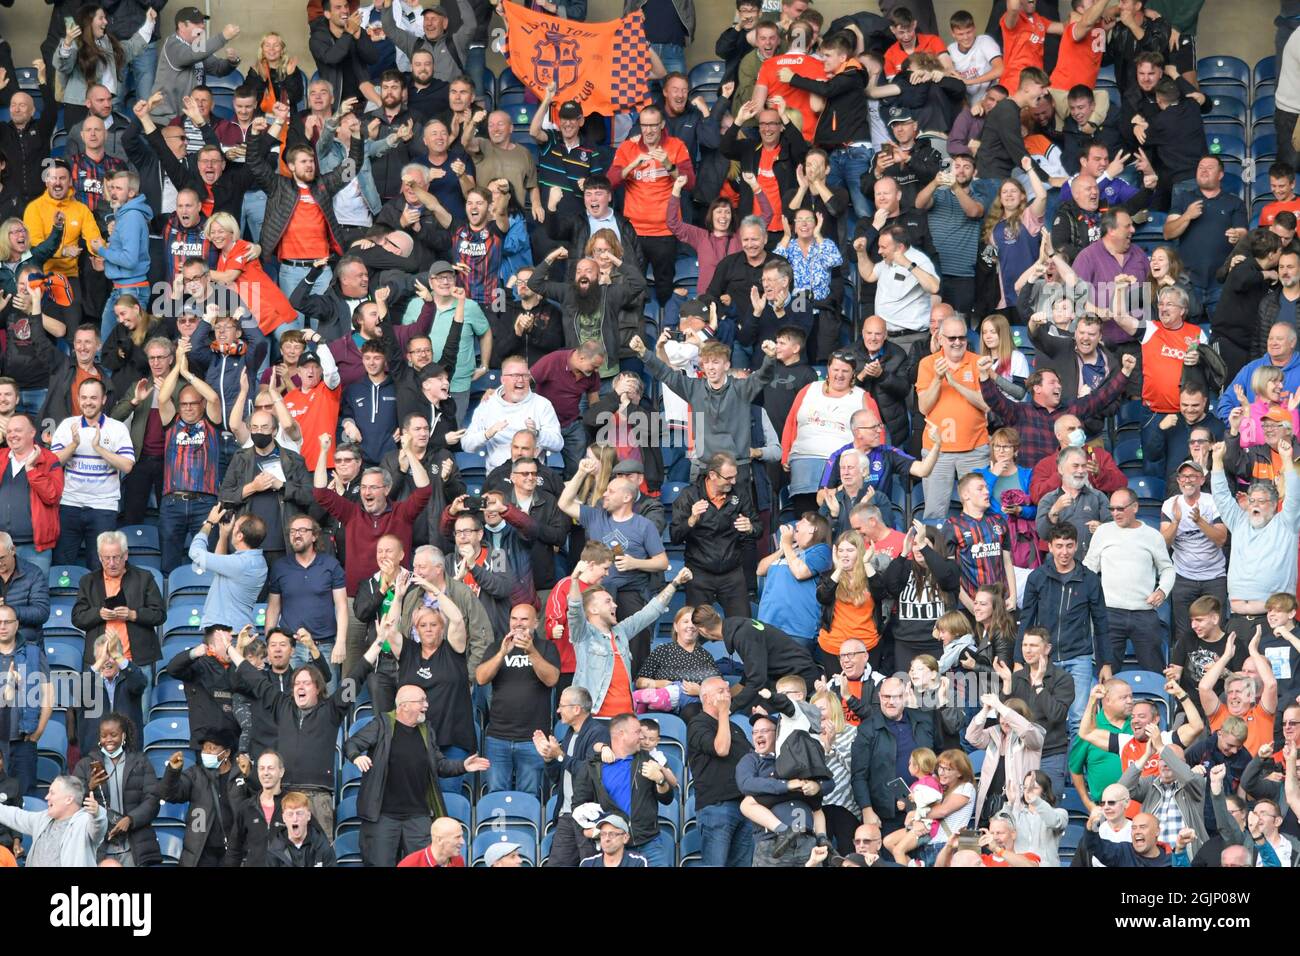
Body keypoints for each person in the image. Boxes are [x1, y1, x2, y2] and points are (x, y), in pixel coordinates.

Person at [344, 681, 486, 867]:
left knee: (426, 864)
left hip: (418, 815)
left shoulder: (427, 731)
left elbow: (440, 765)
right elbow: (352, 744)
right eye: (421, 701)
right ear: (404, 706)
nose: (426, 705)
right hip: (383, 816)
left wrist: (463, 766)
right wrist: (356, 757)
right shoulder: (382, 724)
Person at [1018, 521, 1110, 735]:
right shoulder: (1037, 577)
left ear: (1076, 546)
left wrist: (1105, 662)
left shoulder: (1090, 580)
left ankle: (1076, 769)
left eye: (1069, 545)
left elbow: (1101, 623)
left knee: (1079, 720)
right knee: (1041, 719)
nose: (1064, 551)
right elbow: (1026, 620)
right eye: (1059, 545)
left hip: (1079, 657)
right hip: (1045, 659)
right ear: (1049, 546)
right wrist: (1017, 659)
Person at [50, 378, 135, 570]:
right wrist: (73, 445)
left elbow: (127, 466)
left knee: (100, 567)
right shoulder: (67, 425)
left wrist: (99, 448)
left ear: (104, 399)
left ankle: (98, 602)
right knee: (62, 564)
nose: (88, 402)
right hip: (69, 504)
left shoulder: (116, 428)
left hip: (103, 507)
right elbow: (52, 463)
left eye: (94, 398)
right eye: (84, 397)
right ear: (78, 399)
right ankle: (65, 601)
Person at [475, 604, 560, 795]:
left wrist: (531, 652)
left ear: (536, 623)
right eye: (514, 619)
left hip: (533, 738)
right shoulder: (497, 646)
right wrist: (501, 654)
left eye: (524, 619)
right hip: (498, 737)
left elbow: (552, 679)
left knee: (529, 796)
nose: (518, 624)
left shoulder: (546, 647)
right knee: (495, 794)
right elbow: (480, 678)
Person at [571, 713, 675, 867]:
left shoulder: (646, 759)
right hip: (615, 847)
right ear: (621, 734)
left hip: (648, 843)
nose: (642, 737)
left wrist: (660, 780)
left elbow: (667, 798)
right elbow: (578, 805)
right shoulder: (593, 766)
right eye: (637, 732)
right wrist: (590, 831)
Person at [849, 676, 936, 836]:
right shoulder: (867, 729)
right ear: (880, 697)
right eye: (886, 697)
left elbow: (941, 756)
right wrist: (867, 810)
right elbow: (858, 776)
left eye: (896, 697)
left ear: (905, 697)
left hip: (926, 809)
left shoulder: (924, 720)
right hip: (887, 815)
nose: (891, 702)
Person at [71, 711, 160, 866]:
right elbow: (71, 803)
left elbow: (153, 800)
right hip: (100, 848)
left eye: (113, 734)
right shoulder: (85, 765)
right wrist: (89, 787)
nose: (108, 740)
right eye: (104, 736)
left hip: (134, 848)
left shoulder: (141, 762)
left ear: (123, 736)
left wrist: (130, 819)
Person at [535, 685, 611, 867]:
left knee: (591, 864)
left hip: (589, 816)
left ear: (576, 709)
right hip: (567, 815)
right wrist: (549, 759)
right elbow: (560, 778)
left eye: (562, 705)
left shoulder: (598, 733)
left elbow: (588, 772)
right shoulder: (569, 733)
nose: (558, 710)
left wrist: (559, 755)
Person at [70, 529, 165, 671]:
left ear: (125, 555)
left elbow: (160, 615)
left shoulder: (144, 578)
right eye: (106, 558)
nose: (112, 563)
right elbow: (77, 617)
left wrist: (133, 614)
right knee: (96, 694)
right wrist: (98, 614)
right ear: (99, 557)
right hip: (100, 661)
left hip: (136, 661)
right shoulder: (88, 581)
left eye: (116, 557)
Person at [735, 714, 821, 867]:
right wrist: (786, 786)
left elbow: (826, 783)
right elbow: (746, 784)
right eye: (755, 732)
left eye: (764, 731)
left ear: (777, 733)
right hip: (771, 842)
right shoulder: (750, 759)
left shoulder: (794, 758)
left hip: (807, 840)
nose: (759, 735)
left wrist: (816, 786)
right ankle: (783, 831)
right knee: (746, 803)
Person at [159, 727, 249, 866]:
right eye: (204, 748)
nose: (206, 752)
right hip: (201, 853)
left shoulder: (241, 774)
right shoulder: (195, 774)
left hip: (234, 854)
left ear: (227, 753)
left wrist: (250, 775)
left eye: (212, 748)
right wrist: (173, 771)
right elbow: (169, 794)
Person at [265, 516, 349, 654]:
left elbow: (342, 606)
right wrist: (270, 643)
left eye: (302, 530)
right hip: (290, 647)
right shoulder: (280, 567)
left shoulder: (331, 565)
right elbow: (273, 608)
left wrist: (340, 642)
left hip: (324, 645)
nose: (296, 535)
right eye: (292, 531)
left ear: (314, 536)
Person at [758, 512, 834, 647]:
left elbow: (800, 572)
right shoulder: (788, 550)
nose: (796, 524)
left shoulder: (821, 550)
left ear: (813, 529)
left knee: (795, 668)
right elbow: (761, 569)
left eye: (802, 521)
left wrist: (787, 546)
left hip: (797, 629)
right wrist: (783, 549)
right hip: (768, 622)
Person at [188, 504, 267, 633]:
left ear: (240, 536)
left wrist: (209, 523)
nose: (232, 526)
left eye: (235, 526)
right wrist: (224, 535)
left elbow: (195, 553)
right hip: (235, 629)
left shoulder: (241, 563)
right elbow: (221, 566)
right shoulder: (256, 560)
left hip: (228, 633)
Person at [0, 774, 106, 867]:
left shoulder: (84, 822)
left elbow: (98, 827)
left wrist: (97, 814)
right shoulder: (43, 818)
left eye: (52, 793)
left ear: (68, 799)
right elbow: (16, 816)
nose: (46, 797)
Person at [579, 814, 649, 868]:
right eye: (603, 834)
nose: (607, 839)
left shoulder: (637, 862)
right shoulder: (587, 864)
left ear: (625, 838)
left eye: (612, 834)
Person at [397, 816, 467, 868]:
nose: (463, 842)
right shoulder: (410, 864)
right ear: (439, 840)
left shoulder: (458, 860)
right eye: (457, 837)